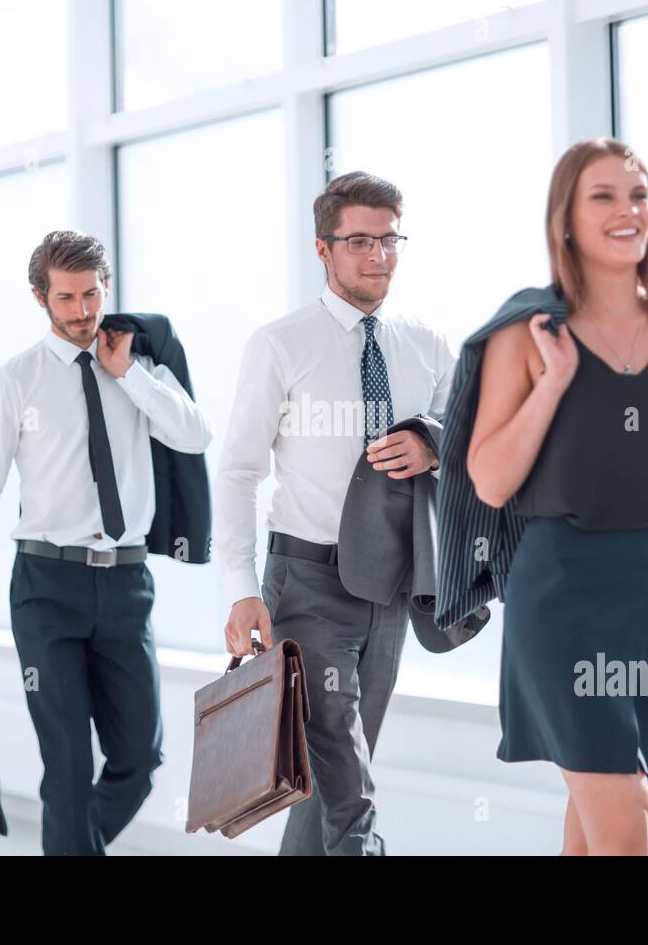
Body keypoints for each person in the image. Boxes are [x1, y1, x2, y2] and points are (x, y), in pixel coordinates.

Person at [465, 137, 648, 855]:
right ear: (565, 217)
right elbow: (490, 479)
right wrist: (557, 381)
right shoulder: (528, 331)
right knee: (626, 817)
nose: (628, 210)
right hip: (563, 591)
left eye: (639, 194)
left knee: (609, 811)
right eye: (603, 196)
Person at [0, 230, 213, 855]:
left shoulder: (139, 363)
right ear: (40, 298)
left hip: (125, 583)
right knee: (65, 764)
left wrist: (129, 375)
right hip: (46, 587)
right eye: (67, 298)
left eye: (92, 294)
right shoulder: (13, 383)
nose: (84, 311)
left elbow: (196, 435)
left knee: (140, 760)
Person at [215, 171, 455, 855]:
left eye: (389, 240)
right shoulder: (281, 344)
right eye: (359, 241)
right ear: (323, 250)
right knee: (351, 792)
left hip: (391, 586)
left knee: (327, 779)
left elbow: (467, 435)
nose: (378, 255)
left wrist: (431, 443)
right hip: (307, 584)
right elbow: (237, 470)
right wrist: (239, 590)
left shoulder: (428, 342)